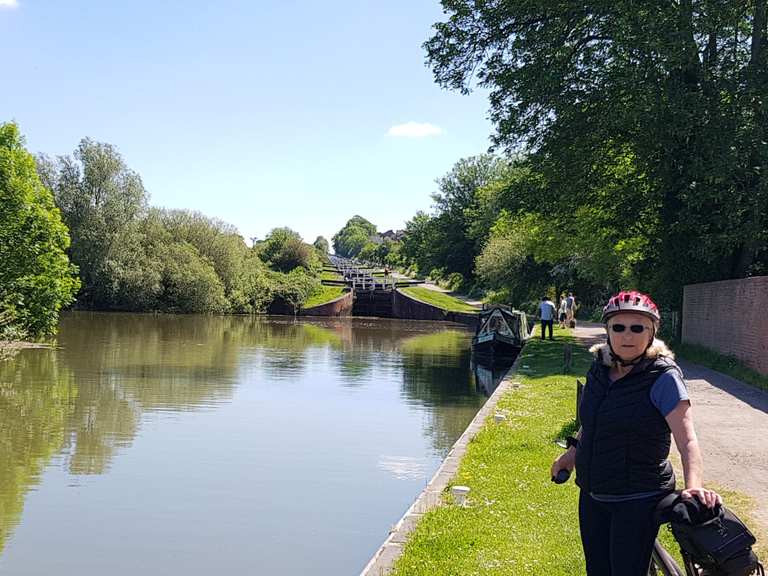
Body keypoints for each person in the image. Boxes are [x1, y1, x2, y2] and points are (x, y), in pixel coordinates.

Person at [550, 290, 721, 575]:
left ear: (651, 333)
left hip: (638, 497)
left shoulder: (663, 377)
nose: (627, 335)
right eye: (619, 327)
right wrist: (572, 454)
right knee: (598, 569)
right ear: (608, 331)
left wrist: (694, 485)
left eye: (637, 328)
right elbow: (593, 422)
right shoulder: (599, 370)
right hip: (593, 492)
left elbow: (687, 439)